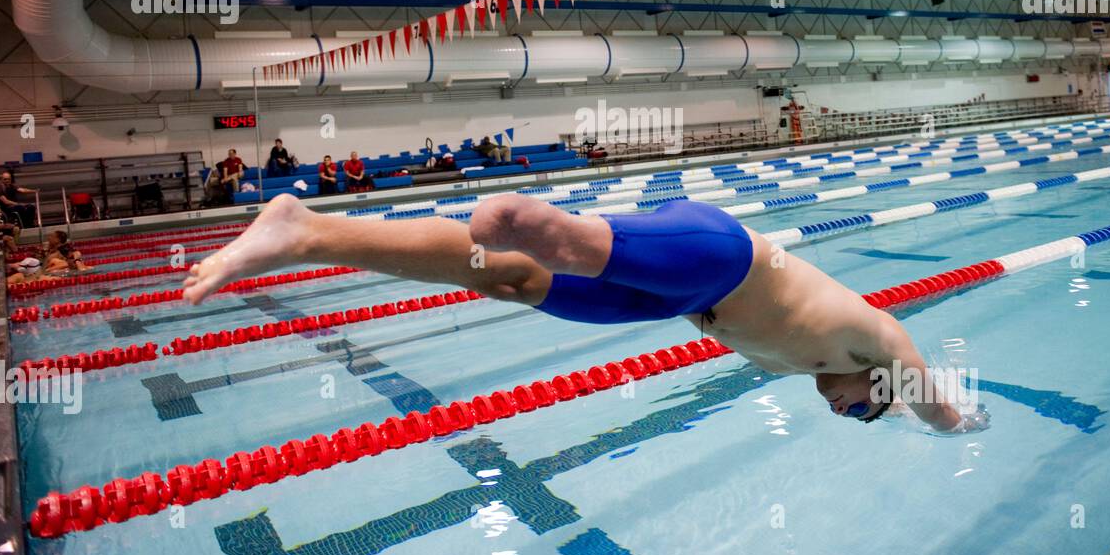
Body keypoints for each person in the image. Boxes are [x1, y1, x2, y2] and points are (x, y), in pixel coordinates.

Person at [184, 194, 988, 434]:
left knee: (507, 278)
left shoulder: (801, 364)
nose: (849, 412)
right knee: (551, 242)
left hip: (682, 295)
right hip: (719, 256)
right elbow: (925, 385)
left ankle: (310, 234)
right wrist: (958, 425)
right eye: (864, 412)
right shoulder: (870, 339)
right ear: (878, 386)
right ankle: (550, 222)